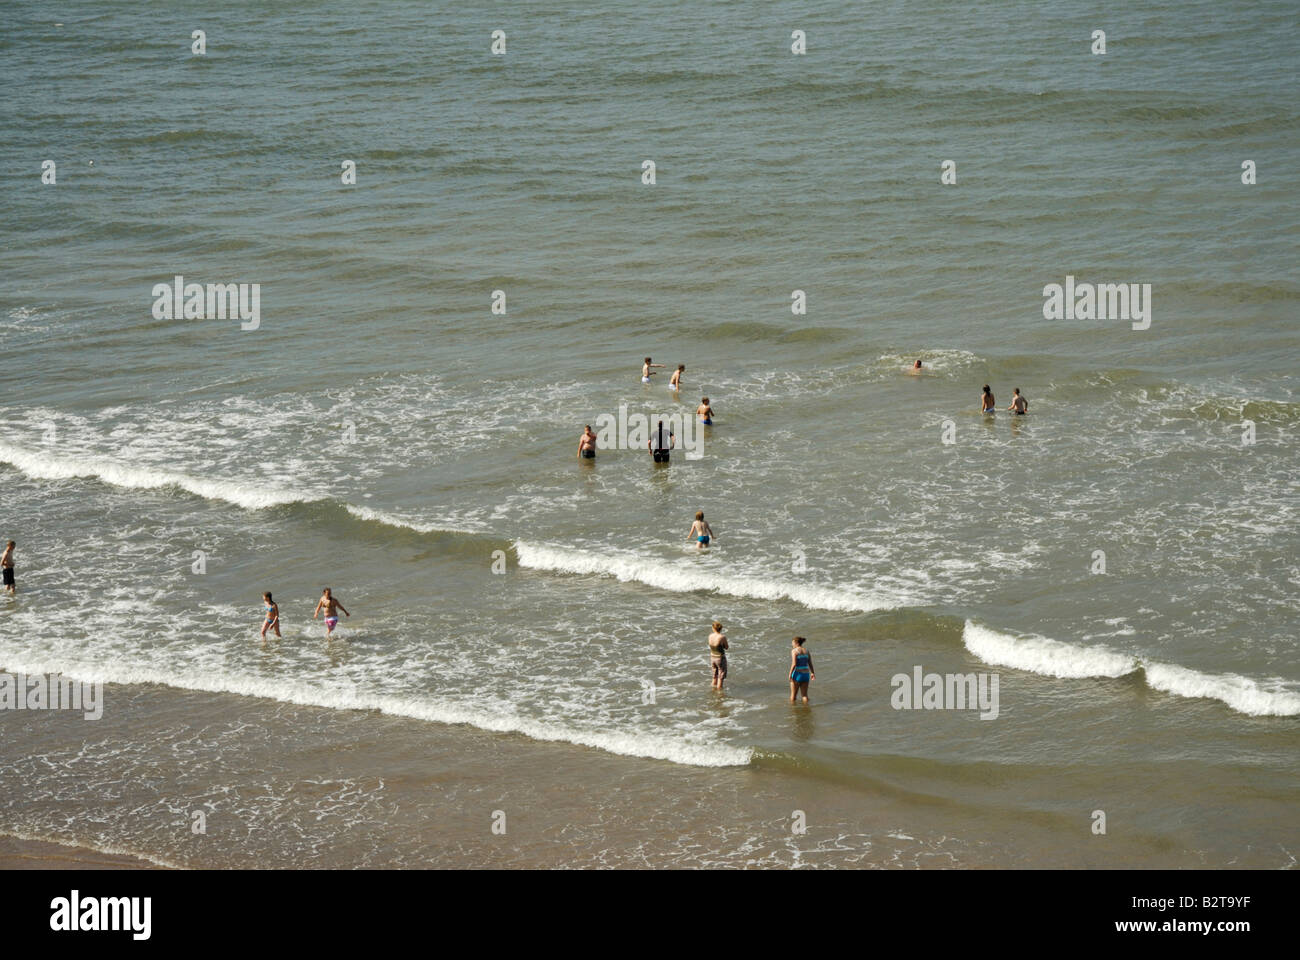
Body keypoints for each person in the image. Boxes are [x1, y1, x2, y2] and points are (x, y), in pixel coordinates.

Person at [789, 636, 814, 704]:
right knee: (805, 696)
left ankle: (793, 712)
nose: (792, 645)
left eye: (792, 643)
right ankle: (806, 709)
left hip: (797, 674)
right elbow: (810, 663)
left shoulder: (794, 651)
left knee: (793, 696)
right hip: (806, 674)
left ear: (796, 643)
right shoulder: (807, 651)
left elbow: (794, 664)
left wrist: (790, 674)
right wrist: (812, 673)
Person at [708, 621, 729, 689]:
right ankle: (719, 695)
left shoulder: (710, 636)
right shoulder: (722, 637)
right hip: (720, 658)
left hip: (712, 657)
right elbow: (726, 647)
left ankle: (713, 689)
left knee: (714, 676)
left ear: (713, 628)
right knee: (720, 677)